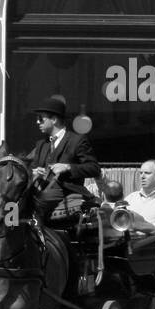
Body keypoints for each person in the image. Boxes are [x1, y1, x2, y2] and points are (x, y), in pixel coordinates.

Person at [23, 94, 100, 223]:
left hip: (66, 190)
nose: (37, 122)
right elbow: (32, 168)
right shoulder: (41, 144)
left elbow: (94, 168)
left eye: (41, 118)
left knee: (37, 199)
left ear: (53, 119)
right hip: (40, 188)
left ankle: (36, 233)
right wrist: (34, 172)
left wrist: (68, 167)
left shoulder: (77, 140)